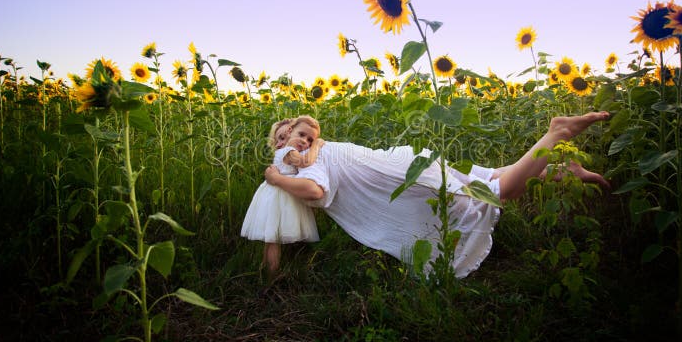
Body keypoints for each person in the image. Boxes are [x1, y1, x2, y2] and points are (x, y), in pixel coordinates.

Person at [264, 112, 611, 278]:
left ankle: (556, 134)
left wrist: (278, 179)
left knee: (493, 194)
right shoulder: (320, 149)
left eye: (292, 134)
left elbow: (315, 189)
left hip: (406, 187)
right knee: (487, 177)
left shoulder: (308, 164)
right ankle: (562, 172)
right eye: (280, 139)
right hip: (404, 166)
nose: (290, 142)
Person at [241, 116, 324, 277]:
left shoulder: (284, 150)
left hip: (276, 194)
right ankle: (272, 276)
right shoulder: (289, 151)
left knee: (271, 238)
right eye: (301, 135)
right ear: (290, 131)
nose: (305, 141)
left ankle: (264, 270)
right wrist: (317, 145)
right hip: (280, 197)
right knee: (274, 239)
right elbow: (306, 162)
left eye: (310, 140)